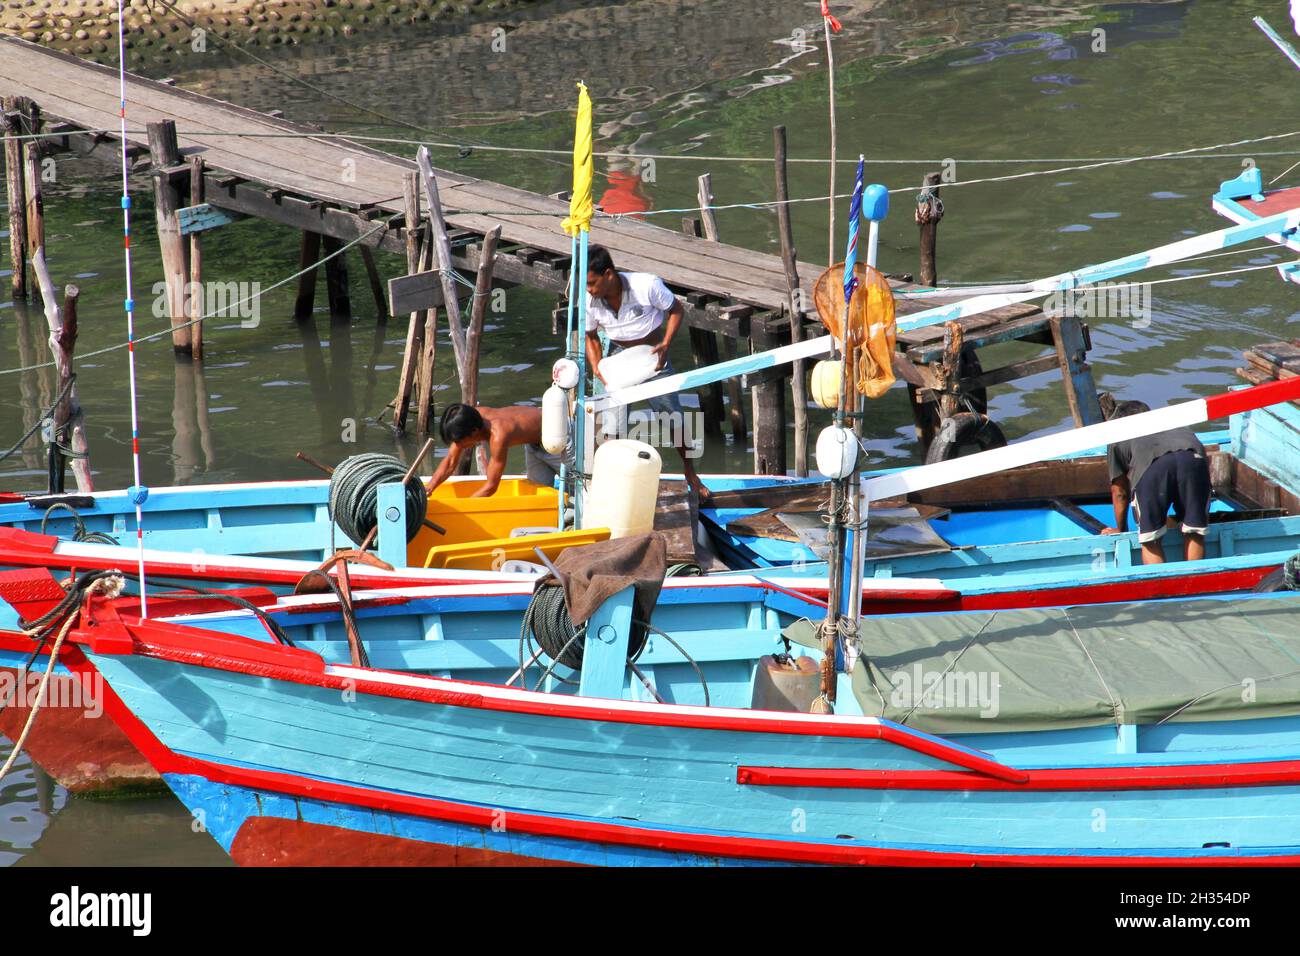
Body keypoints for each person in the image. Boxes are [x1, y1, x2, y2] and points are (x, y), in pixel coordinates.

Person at [584, 244, 710, 503]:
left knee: (673, 418)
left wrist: (666, 342)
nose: (589, 289)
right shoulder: (589, 300)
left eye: (592, 283)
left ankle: (690, 474)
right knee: (609, 428)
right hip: (618, 360)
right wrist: (597, 366)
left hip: (653, 357)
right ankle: (612, 481)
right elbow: (591, 336)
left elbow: (675, 310)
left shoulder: (647, 285)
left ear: (608, 274)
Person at [1101, 399, 1211, 564]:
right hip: (1194, 459)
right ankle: (1192, 585)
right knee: (1194, 532)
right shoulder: (1171, 421)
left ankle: (1162, 590)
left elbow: (1120, 493)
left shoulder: (1117, 434)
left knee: (1151, 540)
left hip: (1154, 467)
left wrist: (1121, 530)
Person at [425, 403, 570, 498]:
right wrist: (430, 487)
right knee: (540, 493)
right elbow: (450, 461)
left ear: (474, 431)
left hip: (561, 434)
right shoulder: (471, 418)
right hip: (534, 444)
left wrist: (464, 507)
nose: (457, 446)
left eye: (459, 442)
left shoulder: (499, 435)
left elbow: (491, 487)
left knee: (579, 490)